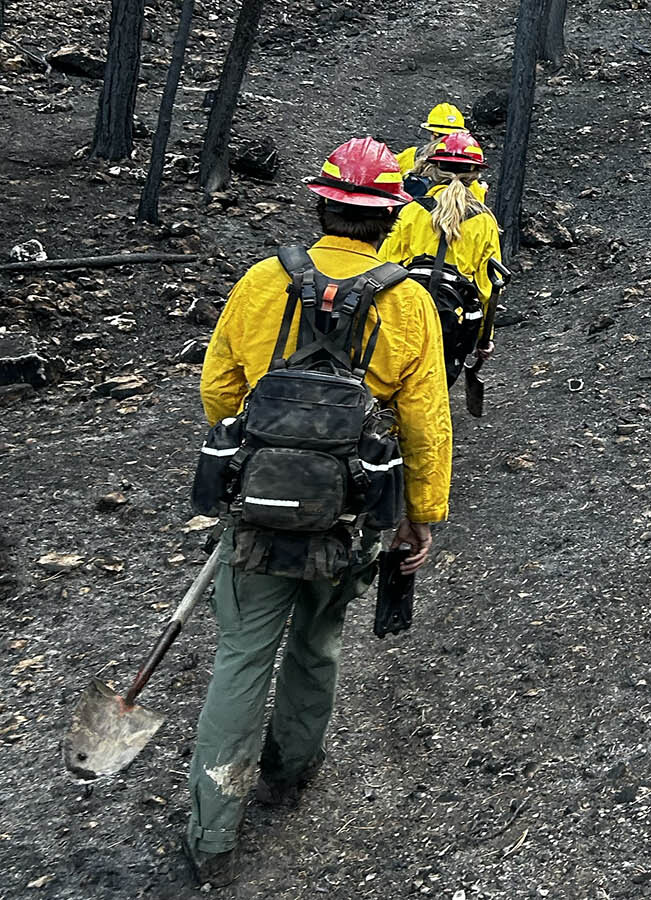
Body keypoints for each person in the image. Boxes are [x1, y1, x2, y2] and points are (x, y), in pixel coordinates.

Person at [186, 137, 452, 887]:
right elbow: (427, 419)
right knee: (319, 639)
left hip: (260, 510)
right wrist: (419, 513)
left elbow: (217, 389)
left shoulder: (262, 282)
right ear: (389, 215)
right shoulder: (407, 302)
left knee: (241, 657)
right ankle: (291, 771)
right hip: (351, 514)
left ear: (321, 203)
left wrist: (267, 454)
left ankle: (211, 836)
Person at [381, 129, 502, 385]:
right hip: (454, 325)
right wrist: (484, 338)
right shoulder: (484, 221)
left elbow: (383, 265)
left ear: (434, 168)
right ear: (475, 174)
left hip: (406, 311)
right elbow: (488, 287)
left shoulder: (411, 211)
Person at [395, 102, 488, 203]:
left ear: (433, 135)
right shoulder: (467, 168)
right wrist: (482, 191)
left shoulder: (412, 154)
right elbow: (477, 203)